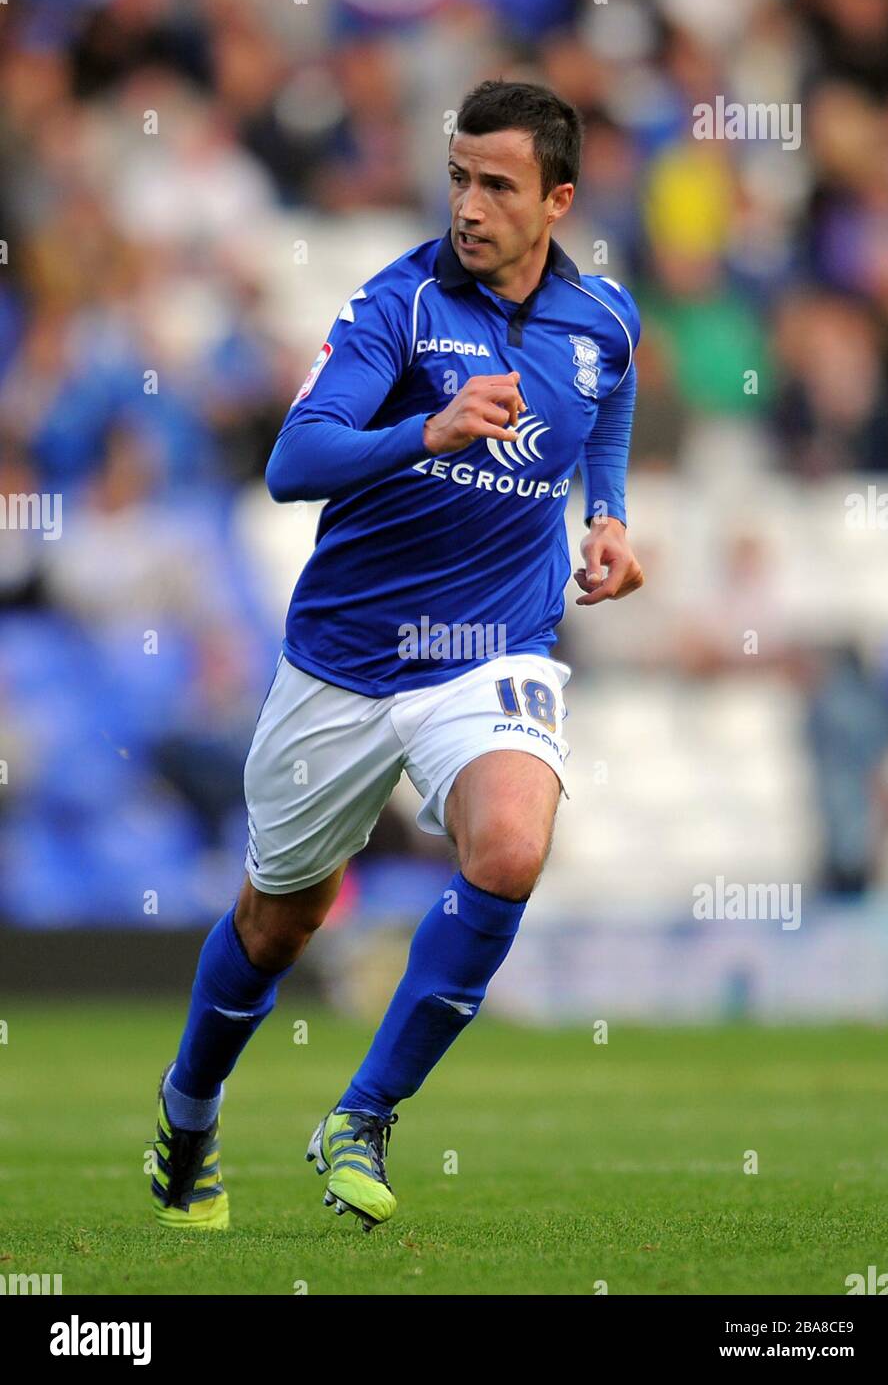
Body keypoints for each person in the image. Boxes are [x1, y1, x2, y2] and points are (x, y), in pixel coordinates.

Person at [151, 79, 643, 1233]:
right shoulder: (401, 304)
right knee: (280, 922)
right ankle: (189, 1109)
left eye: (498, 186)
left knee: (513, 846)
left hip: (490, 649)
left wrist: (608, 516)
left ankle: (362, 1113)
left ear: (557, 201)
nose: (468, 206)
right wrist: (426, 427)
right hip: (348, 657)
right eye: (459, 177)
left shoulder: (604, 320)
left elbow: (605, 404)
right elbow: (295, 459)